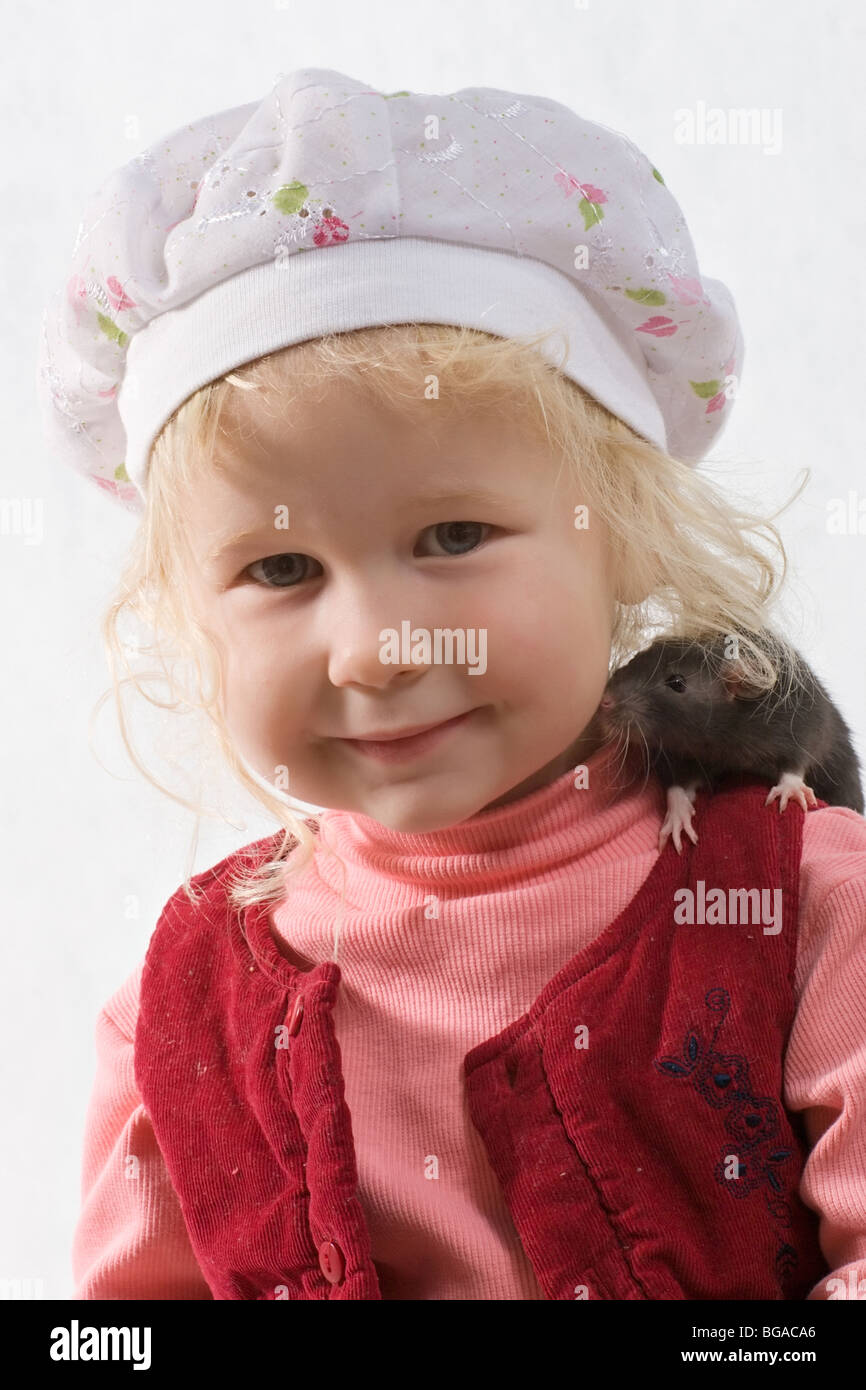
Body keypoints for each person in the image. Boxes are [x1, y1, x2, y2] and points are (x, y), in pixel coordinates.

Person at [38, 69, 866, 1301]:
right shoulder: (180, 1011)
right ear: (185, 621)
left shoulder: (799, 907)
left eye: (453, 538)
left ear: (623, 533)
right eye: (278, 566)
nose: (376, 647)